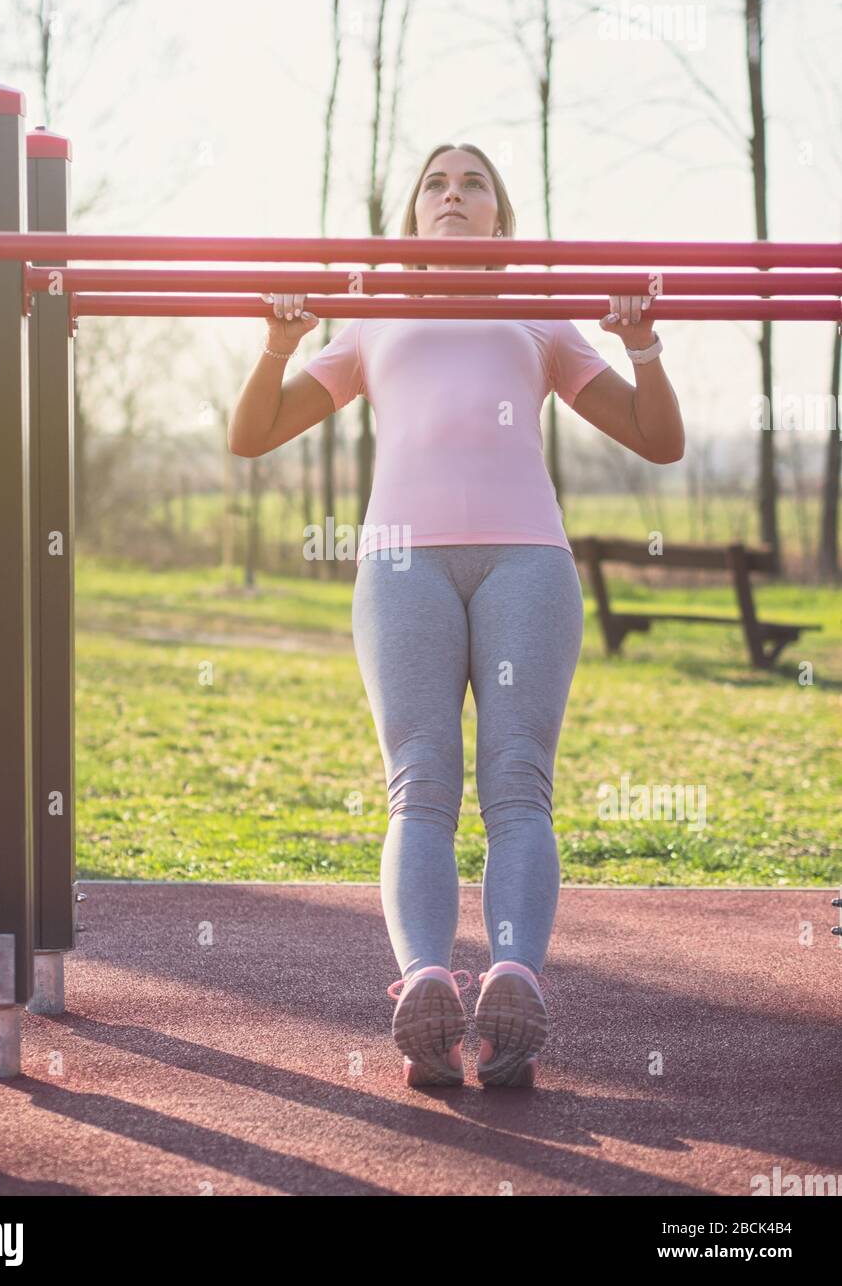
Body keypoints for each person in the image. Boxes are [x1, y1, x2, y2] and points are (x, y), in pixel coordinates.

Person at [227, 143, 685, 1089]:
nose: (452, 194)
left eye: (474, 183)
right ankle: (426, 987)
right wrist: (278, 340)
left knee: (519, 782)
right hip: (403, 564)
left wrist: (643, 343)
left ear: (501, 222)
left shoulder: (540, 313)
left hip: (527, 559)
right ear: (412, 220)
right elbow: (253, 435)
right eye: (436, 182)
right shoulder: (372, 316)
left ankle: (514, 983)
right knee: (419, 784)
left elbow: (658, 439)